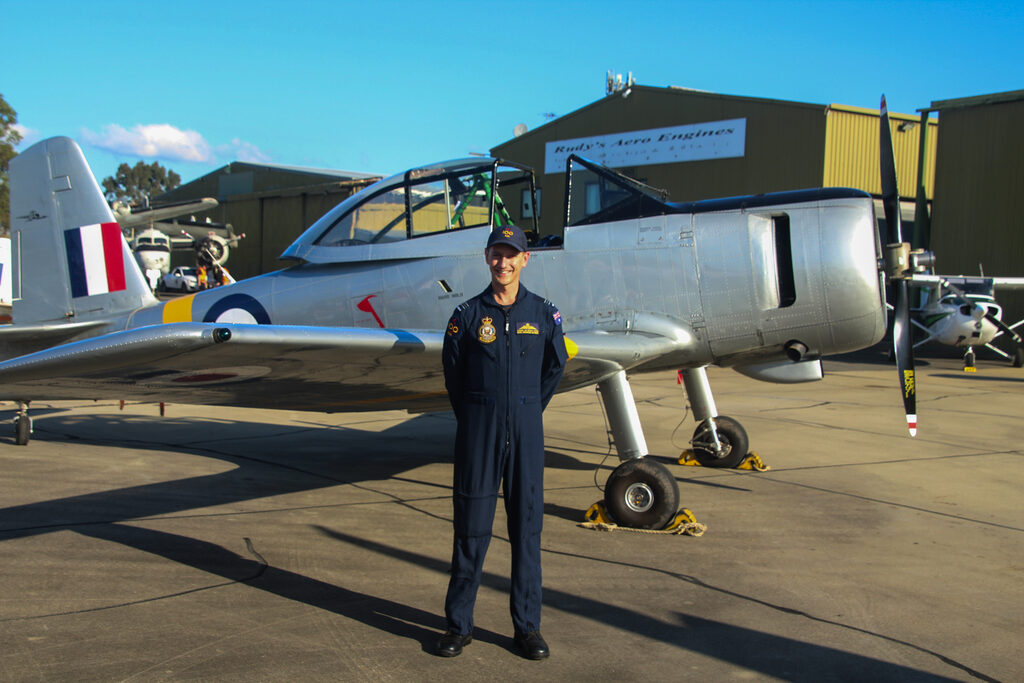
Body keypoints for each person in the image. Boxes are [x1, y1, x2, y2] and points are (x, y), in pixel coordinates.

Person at [436, 224, 568, 660]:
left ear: (525, 259)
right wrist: (479, 413)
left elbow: (555, 368)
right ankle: (459, 625)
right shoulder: (468, 317)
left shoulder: (544, 315)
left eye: (512, 254)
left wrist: (527, 409)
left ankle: (527, 628)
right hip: (479, 433)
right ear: (487, 257)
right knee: (470, 530)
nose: (504, 262)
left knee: (527, 531)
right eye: (497, 253)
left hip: (527, 435)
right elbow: (453, 373)